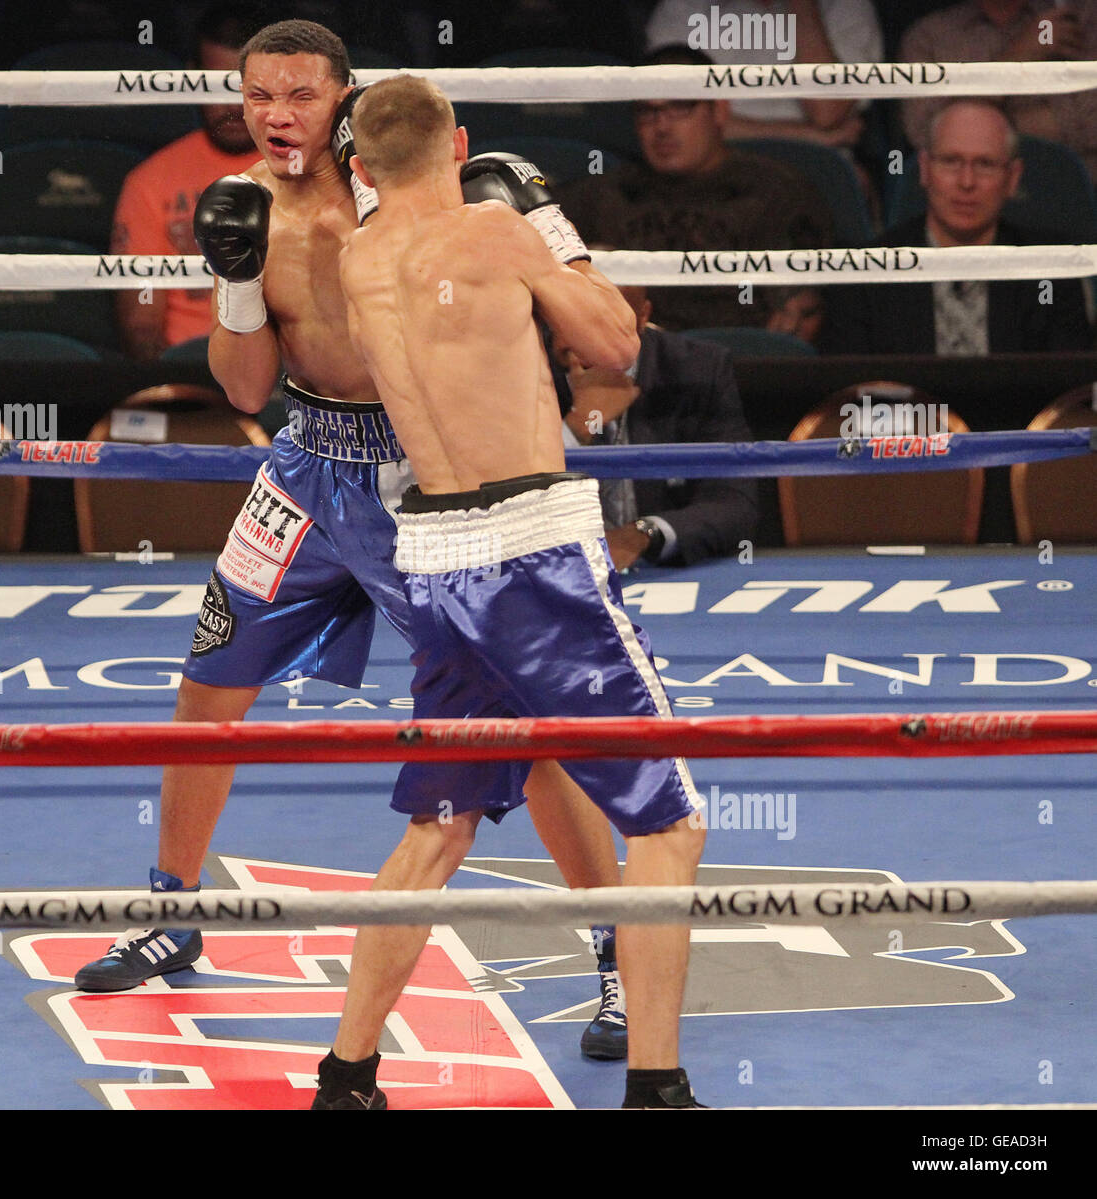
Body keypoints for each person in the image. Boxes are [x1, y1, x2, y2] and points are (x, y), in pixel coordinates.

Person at [74, 19, 633, 1063]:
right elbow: (244, 389)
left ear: (344, 98)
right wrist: (236, 279)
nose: (277, 116)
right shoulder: (245, 210)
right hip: (304, 464)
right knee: (208, 682)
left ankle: (614, 950)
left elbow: (586, 329)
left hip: (432, 473)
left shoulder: (427, 195)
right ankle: (173, 909)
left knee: (524, 722)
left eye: (299, 95)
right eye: (257, 98)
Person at [312, 74, 707, 1111]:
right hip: (534, 551)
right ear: (464, 146)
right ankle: (658, 1089)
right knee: (668, 822)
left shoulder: (357, 258)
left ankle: (345, 1077)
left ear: (357, 170)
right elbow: (619, 346)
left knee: (439, 823)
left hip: (434, 554)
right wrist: (548, 223)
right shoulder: (493, 232)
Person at [558, 44, 832, 341]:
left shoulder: (777, 189)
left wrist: (798, 309)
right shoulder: (604, 194)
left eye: (680, 106)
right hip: (637, 357)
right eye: (647, 111)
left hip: (744, 361)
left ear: (719, 109)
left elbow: (807, 306)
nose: (661, 126)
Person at [822, 100, 1092, 355]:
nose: (966, 182)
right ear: (925, 169)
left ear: (1012, 178)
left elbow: (1065, 394)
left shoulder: (1053, 272)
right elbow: (854, 396)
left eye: (985, 165)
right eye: (951, 161)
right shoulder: (867, 276)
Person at [557, 281, 759, 569]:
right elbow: (496, 505)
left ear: (641, 316)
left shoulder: (697, 370)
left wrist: (640, 535)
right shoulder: (520, 372)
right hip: (554, 570)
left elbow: (735, 502)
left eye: (609, 318)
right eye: (577, 315)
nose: (592, 332)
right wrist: (578, 425)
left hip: (661, 575)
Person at [110, 4, 267, 359]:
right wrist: (177, 393)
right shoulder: (149, 182)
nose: (233, 105)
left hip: (286, 374)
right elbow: (141, 327)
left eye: (245, 87)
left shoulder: (302, 169)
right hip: (190, 371)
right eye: (217, 84)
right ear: (192, 77)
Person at [899, 1, 1097, 185]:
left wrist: (975, 121)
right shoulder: (927, 37)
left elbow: (1091, 123)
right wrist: (1015, 57)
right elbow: (925, 134)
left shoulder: (1073, 22)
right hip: (963, 192)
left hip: (1067, 191)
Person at [645, 0, 883, 150]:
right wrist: (807, 136)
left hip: (811, 171)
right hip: (713, 166)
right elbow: (673, 119)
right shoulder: (683, 7)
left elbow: (828, 113)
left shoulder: (846, 7)